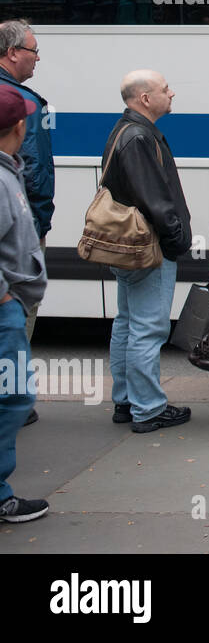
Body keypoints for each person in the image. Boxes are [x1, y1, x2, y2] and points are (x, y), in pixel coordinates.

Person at [103, 71, 193, 433]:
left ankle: (127, 400)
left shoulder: (126, 131)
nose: (172, 93)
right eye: (164, 89)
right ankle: (148, 408)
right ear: (144, 98)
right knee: (147, 328)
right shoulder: (140, 137)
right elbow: (156, 202)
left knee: (127, 323)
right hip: (148, 248)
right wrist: (177, 241)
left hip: (128, 248)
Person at [0, 21, 53, 427]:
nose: (38, 58)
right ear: (13, 52)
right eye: (34, 51)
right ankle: (13, 402)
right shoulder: (18, 101)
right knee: (20, 315)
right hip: (22, 227)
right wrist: (38, 221)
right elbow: (30, 167)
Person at [0, 86, 49, 523]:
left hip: (9, 305)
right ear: (18, 127)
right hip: (3, 311)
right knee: (11, 398)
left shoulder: (6, 169)